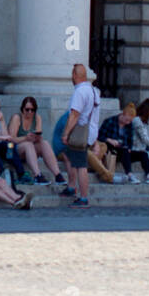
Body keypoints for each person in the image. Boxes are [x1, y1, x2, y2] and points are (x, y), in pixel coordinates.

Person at [59, 63, 101, 207]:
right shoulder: (94, 91)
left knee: (80, 165)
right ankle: (71, 187)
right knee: (70, 157)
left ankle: (83, 197)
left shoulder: (80, 92)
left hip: (80, 133)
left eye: (72, 74)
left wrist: (66, 133)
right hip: (90, 131)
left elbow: (74, 115)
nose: (72, 77)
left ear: (76, 75)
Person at [97, 103, 149, 182]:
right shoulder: (110, 121)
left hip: (123, 150)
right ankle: (129, 175)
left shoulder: (129, 125)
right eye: (126, 120)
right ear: (123, 114)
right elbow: (99, 136)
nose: (127, 122)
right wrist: (109, 140)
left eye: (130, 121)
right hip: (111, 150)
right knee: (124, 151)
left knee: (143, 154)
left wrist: (129, 147)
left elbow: (129, 141)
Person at [8, 96, 62, 184]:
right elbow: (11, 139)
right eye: (27, 109)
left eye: (32, 110)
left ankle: (57, 174)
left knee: (44, 143)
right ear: (22, 109)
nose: (30, 112)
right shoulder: (16, 118)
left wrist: (37, 138)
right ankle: (37, 175)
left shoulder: (37, 118)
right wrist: (25, 138)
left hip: (30, 149)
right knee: (28, 144)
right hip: (13, 149)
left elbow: (38, 134)